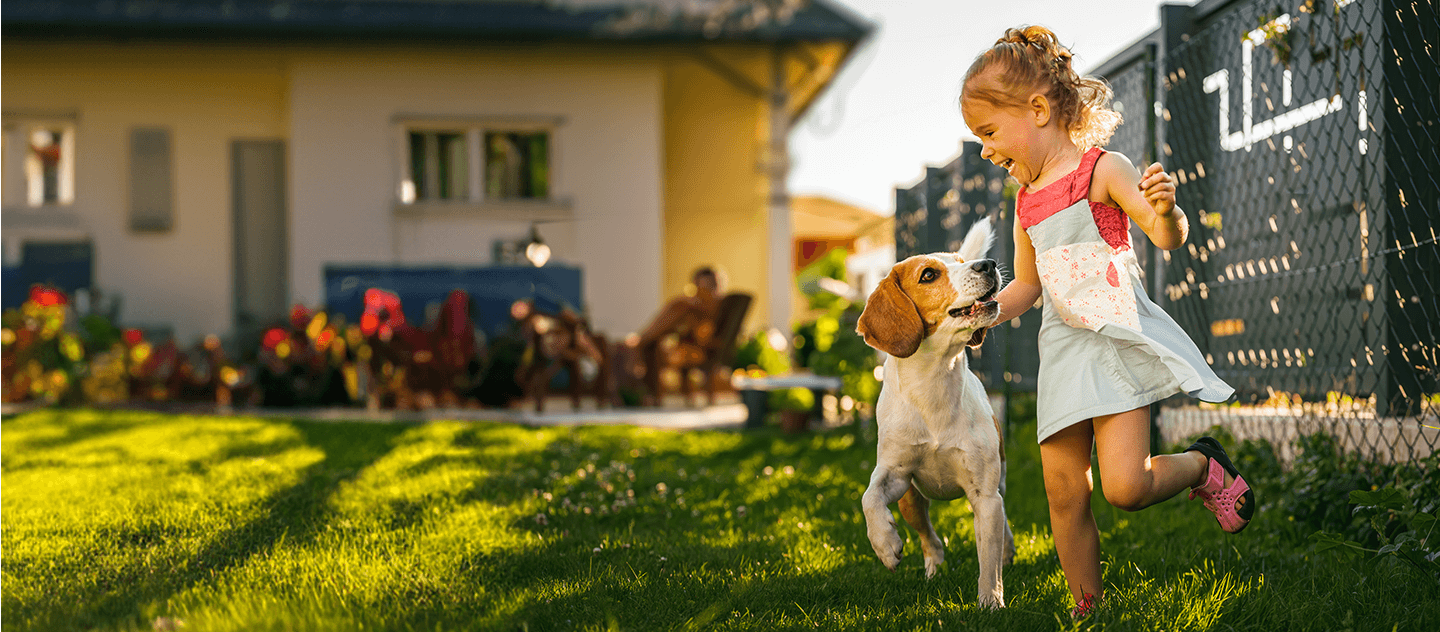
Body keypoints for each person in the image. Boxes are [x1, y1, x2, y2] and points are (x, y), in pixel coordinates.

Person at [960, 25, 1251, 617]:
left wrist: (1167, 210)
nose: (985, 150)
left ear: (1037, 110)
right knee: (1064, 491)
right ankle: (1086, 608)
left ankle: (1203, 465)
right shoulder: (1024, 202)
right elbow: (1028, 285)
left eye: (989, 132)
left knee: (1125, 488)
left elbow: (1165, 237)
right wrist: (985, 312)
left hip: (1113, 341)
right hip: (1061, 351)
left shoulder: (1103, 169)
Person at [634, 266, 723, 406]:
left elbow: (671, 328)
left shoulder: (692, 305)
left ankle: (640, 341)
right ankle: (641, 341)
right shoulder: (726, 305)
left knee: (650, 344)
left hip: (698, 351)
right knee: (652, 343)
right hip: (712, 348)